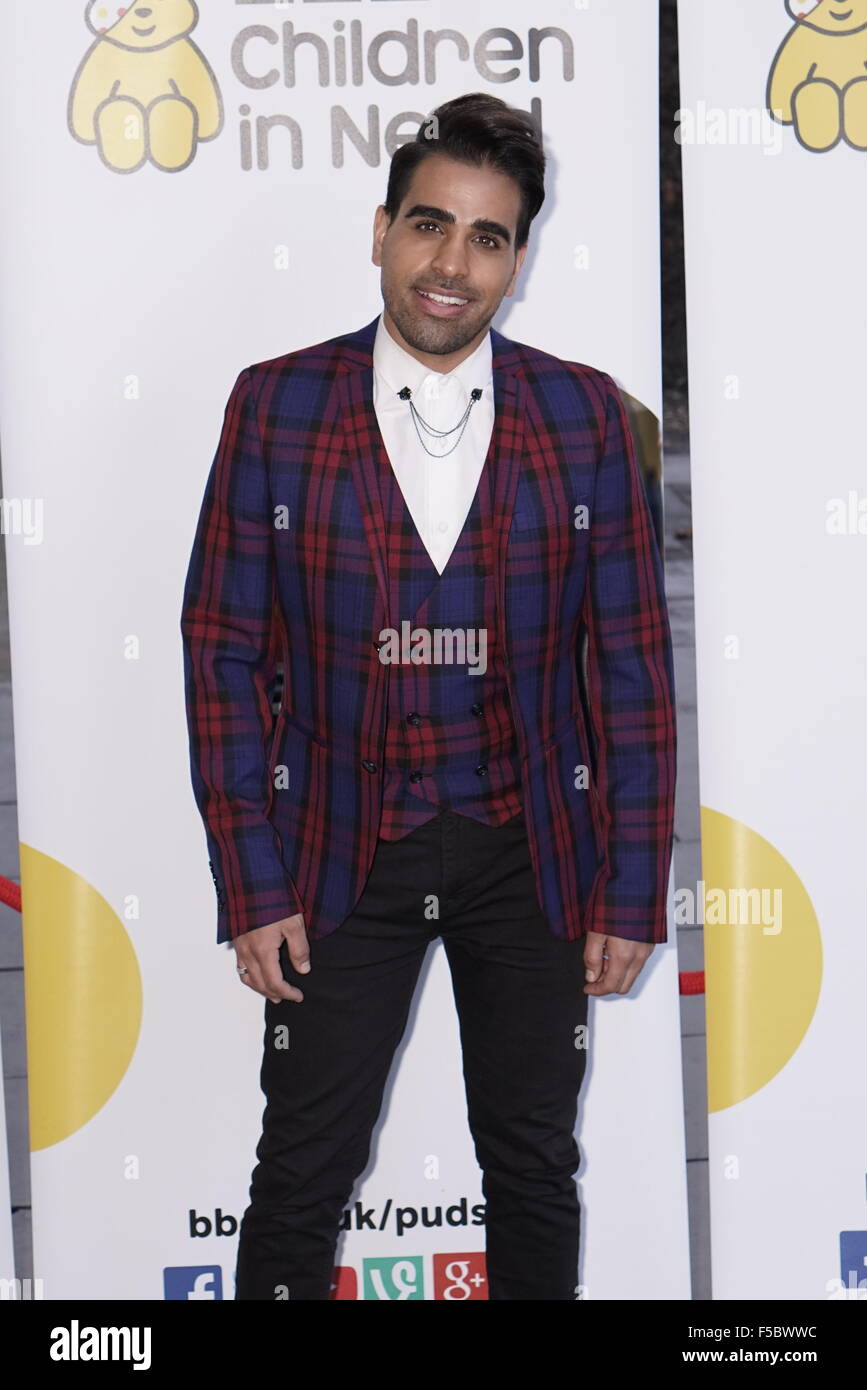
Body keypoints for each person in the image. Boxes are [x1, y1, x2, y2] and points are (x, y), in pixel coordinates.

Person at [180, 92, 677, 1302]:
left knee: (533, 1167)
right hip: (339, 852)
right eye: (429, 225)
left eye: (489, 237)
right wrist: (251, 884)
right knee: (300, 1173)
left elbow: (631, 669)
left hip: (533, 855)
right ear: (381, 231)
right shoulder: (277, 405)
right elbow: (222, 655)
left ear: (519, 258)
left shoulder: (588, 419)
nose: (452, 265)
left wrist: (627, 889)